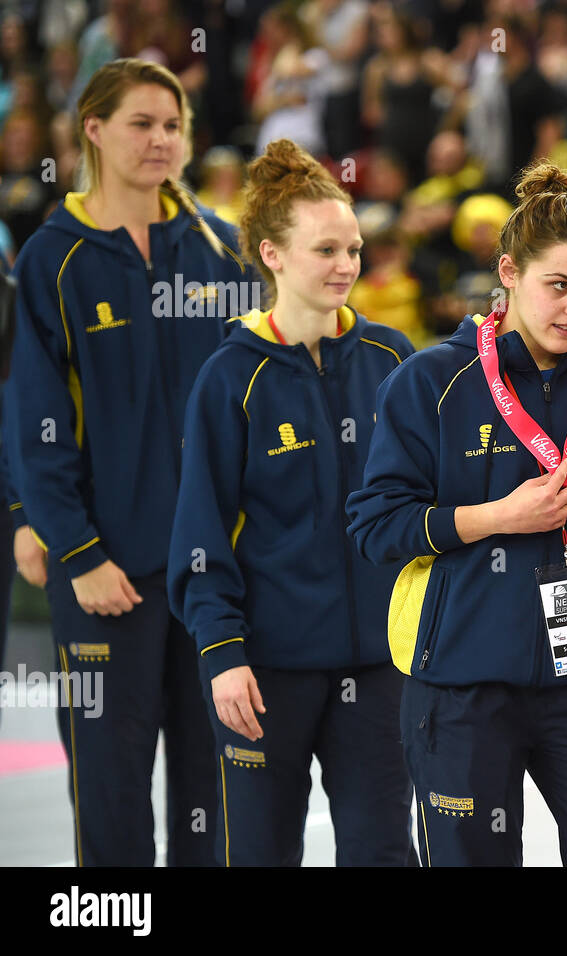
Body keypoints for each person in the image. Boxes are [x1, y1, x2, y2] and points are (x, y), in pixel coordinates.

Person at [346, 161, 567, 866]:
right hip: (464, 689)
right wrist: (496, 516)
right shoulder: (432, 382)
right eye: (557, 286)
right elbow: (376, 526)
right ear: (509, 271)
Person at [4, 58, 249, 866]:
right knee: (109, 791)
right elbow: (36, 419)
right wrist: (76, 549)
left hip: (212, 578)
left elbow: (248, 405)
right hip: (105, 575)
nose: (161, 141)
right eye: (141, 124)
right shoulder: (52, 260)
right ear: (95, 130)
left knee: (213, 787)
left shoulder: (220, 248)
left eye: (173, 126)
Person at [167, 139, 416, 866]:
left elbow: (425, 507)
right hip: (264, 673)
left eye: (355, 249)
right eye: (326, 250)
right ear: (272, 255)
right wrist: (222, 655)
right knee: (260, 854)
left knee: (382, 853)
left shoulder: (393, 360)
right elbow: (200, 533)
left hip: (380, 672)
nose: (346, 266)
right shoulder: (229, 379)